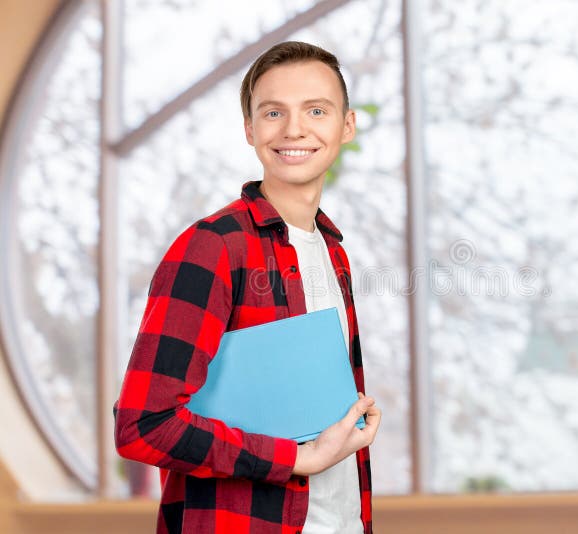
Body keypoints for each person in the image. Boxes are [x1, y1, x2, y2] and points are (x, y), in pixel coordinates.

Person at [113, 41, 381, 534]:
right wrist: (296, 459)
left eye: (316, 110)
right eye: (273, 112)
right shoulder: (213, 247)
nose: (294, 129)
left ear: (346, 125)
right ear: (250, 129)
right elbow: (143, 426)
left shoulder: (332, 250)